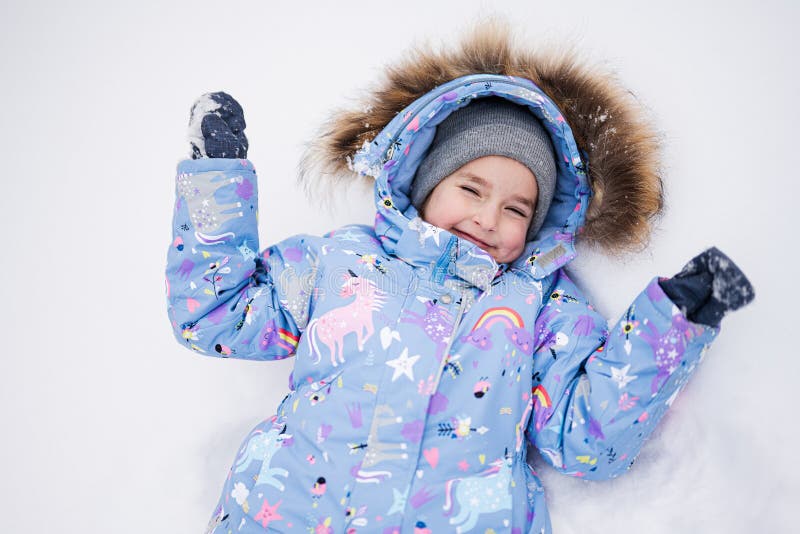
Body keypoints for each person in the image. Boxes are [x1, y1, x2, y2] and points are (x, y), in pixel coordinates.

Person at [166, 22, 754, 534]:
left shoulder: (540, 306)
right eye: (471, 189)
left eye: (518, 209)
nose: (488, 218)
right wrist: (216, 179)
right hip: (287, 512)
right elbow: (217, 315)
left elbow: (585, 438)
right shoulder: (341, 261)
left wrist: (675, 319)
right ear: (426, 183)